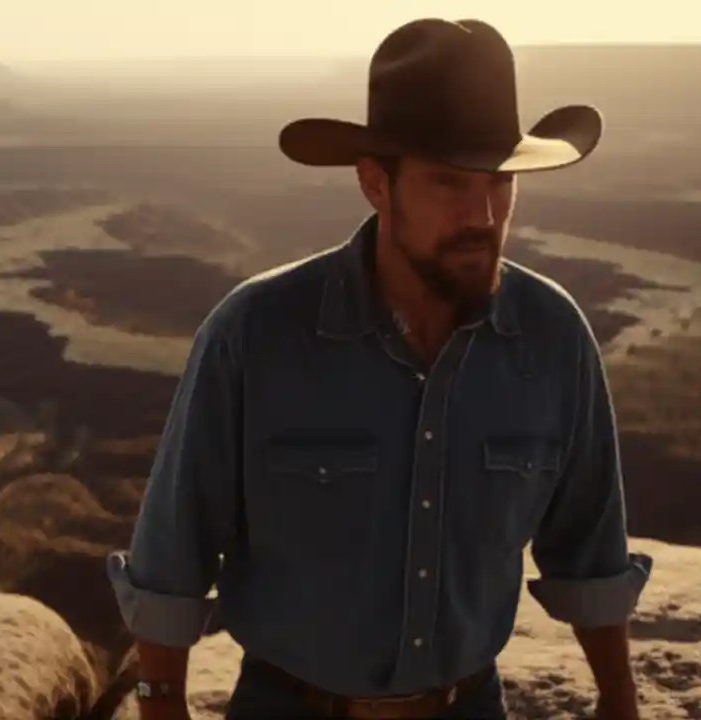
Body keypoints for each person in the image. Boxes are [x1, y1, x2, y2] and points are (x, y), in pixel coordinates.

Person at [107, 17, 653, 720]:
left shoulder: (551, 339)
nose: (483, 213)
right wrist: (158, 704)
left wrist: (619, 696)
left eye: (500, 183)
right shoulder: (256, 334)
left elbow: (589, 543)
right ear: (375, 183)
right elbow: (172, 552)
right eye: (450, 183)